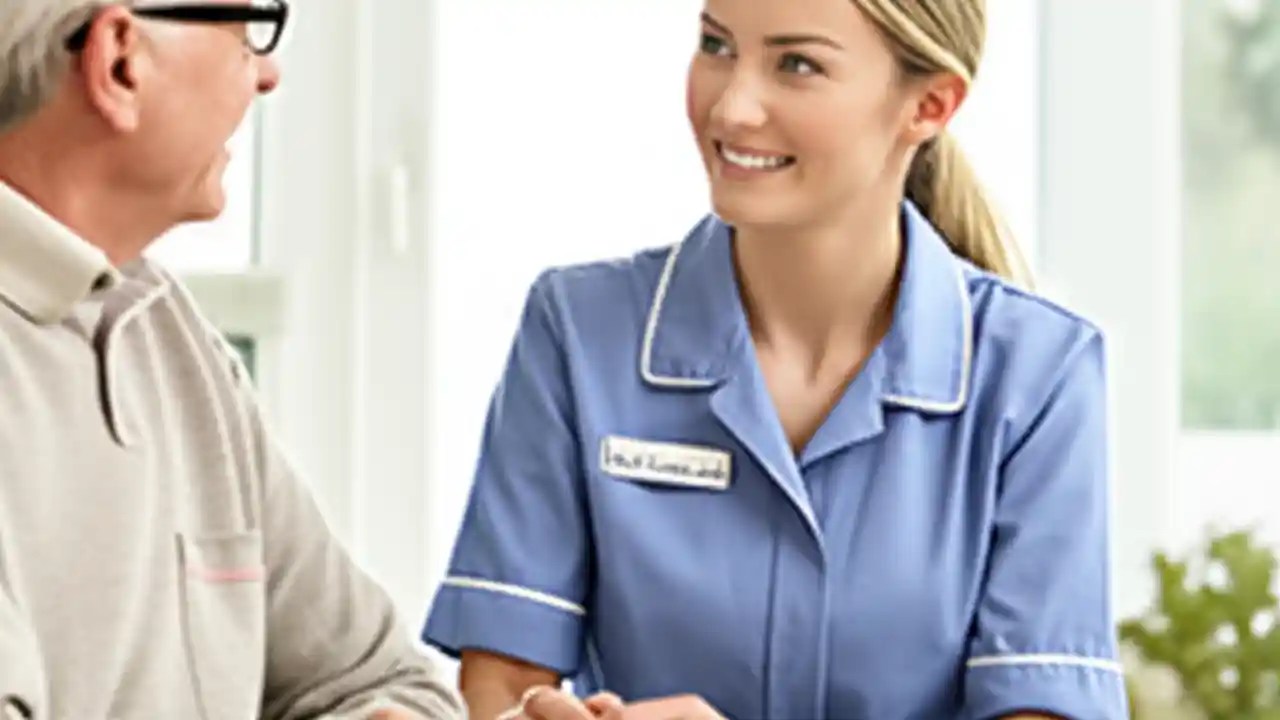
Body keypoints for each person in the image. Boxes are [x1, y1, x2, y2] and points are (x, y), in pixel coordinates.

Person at [422, 0, 1129, 718]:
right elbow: (506, 687)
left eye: (797, 64)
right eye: (716, 44)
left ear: (929, 104)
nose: (731, 108)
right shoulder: (577, 334)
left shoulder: (1040, 375)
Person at [0, 2, 464, 718]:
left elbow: (382, 681)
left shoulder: (163, 328)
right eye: (246, 32)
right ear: (120, 59)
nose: (268, 74)